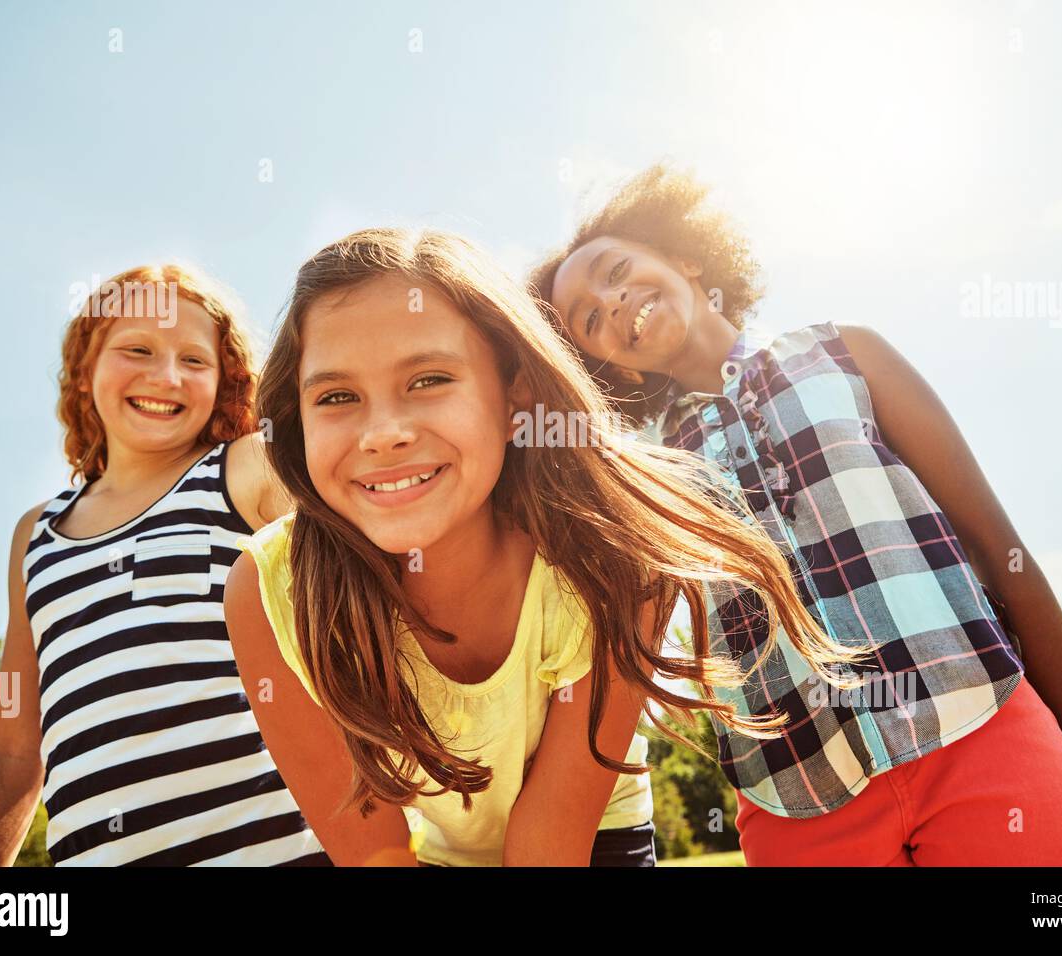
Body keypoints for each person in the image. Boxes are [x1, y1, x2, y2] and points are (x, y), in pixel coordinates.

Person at [531, 163, 1062, 865]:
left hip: (979, 726)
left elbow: (1002, 552)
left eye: (615, 270)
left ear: (684, 256)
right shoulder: (644, 472)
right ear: (615, 370)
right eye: (589, 320)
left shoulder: (846, 354)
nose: (611, 301)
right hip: (796, 797)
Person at [224, 227, 867, 866]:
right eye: (337, 396)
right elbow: (377, 854)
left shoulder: (612, 557)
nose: (383, 433)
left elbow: (550, 842)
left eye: (429, 379)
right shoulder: (268, 590)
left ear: (516, 397)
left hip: (595, 838)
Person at [0, 264, 328, 866]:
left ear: (225, 382)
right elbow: (10, 749)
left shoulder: (247, 469)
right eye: (138, 350)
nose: (166, 376)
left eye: (194, 360)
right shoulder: (35, 534)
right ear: (85, 369)